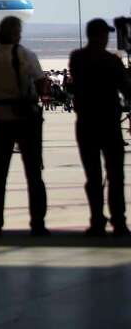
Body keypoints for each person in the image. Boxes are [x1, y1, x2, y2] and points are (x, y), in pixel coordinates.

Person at [0, 16, 50, 237]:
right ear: (16, 33)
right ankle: (37, 223)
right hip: (26, 118)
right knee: (34, 174)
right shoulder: (26, 55)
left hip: (0, 116)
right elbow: (41, 84)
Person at [68, 19, 131, 237]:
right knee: (115, 175)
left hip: (86, 123)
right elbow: (126, 88)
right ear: (101, 36)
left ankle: (97, 219)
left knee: (93, 176)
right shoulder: (110, 60)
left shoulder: (77, 58)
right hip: (108, 123)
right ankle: (119, 221)